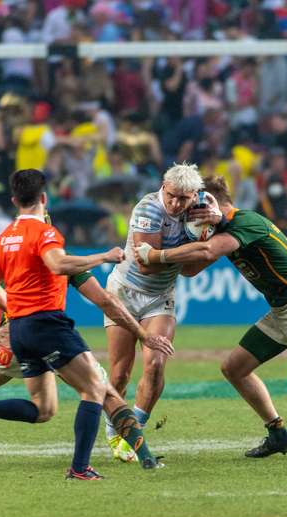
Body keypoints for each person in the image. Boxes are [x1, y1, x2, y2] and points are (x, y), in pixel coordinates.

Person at [133, 175, 287, 459]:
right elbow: (191, 269)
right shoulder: (222, 231)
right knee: (233, 369)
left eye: (193, 205)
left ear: (208, 203)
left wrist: (157, 255)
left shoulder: (245, 222)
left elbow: (206, 252)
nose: (188, 213)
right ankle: (278, 434)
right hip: (281, 311)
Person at [0, 213, 175, 473]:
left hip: (12, 340)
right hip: (54, 338)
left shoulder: (4, 257)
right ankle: (145, 458)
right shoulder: (62, 259)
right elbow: (105, 300)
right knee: (104, 393)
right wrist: (141, 333)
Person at [0, 168, 142, 480]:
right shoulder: (49, 240)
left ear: (14, 201)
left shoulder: (5, 244)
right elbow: (99, 296)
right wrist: (141, 330)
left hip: (14, 337)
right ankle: (103, 463)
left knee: (38, 408)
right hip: (47, 330)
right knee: (99, 389)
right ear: (44, 199)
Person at [103, 163, 218, 459]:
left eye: (184, 199)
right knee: (119, 375)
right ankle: (112, 430)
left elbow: (191, 271)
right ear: (163, 188)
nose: (177, 204)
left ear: (196, 195)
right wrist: (195, 247)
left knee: (155, 366)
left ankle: (133, 434)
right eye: (172, 196)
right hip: (124, 292)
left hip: (160, 297)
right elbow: (146, 265)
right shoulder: (148, 209)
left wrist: (207, 242)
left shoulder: (202, 210)